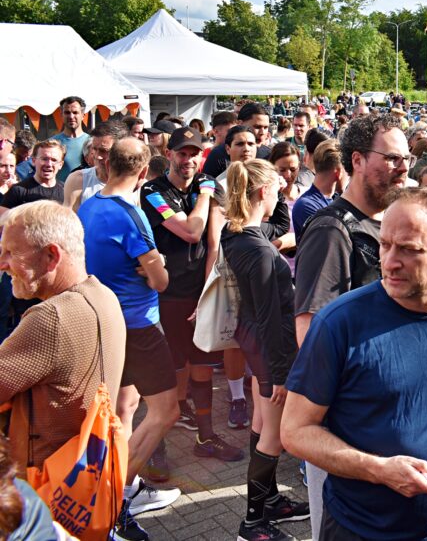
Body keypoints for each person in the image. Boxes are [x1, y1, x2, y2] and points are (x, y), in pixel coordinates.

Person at [282, 188, 427, 540]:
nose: (390, 262)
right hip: (360, 528)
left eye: (409, 249)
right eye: (385, 245)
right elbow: (295, 431)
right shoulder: (339, 323)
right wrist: (378, 469)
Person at [291, 113, 409, 535]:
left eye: (406, 158)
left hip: (383, 415)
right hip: (347, 421)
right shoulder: (332, 229)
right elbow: (309, 331)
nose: (403, 167)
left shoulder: (387, 223)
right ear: (357, 160)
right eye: (392, 158)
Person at [78, 138, 182, 539]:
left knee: (126, 407)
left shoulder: (88, 205)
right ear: (142, 172)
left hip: (104, 323)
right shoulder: (131, 214)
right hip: (137, 326)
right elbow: (161, 281)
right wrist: (159, 265)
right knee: (165, 412)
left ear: (107, 165)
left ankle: (123, 489)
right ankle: (114, 502)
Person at [139, 127, 244, 463]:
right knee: (170, 367)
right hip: (167, 294)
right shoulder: (153, 191)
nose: (187, 160)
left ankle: (206, 436)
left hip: (200, 292)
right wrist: (205, 194)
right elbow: (190, 231)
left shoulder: (207, 183)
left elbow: (212, 241)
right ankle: (156, 445)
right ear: (169, 154)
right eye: (181, 153)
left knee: (201, 364)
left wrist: (206, 294)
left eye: (194, 154)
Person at [0, 202, 127, 471]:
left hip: (44, 485)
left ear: (51, 256)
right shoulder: (104, 295)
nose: (2, 264)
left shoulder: (49, 318)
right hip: (88, 476)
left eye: (11, 252)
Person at [222, 159, 307, 541]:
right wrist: (280, 375)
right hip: (269, 346)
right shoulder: (258, 250)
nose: (281, 195)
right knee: (272, 432)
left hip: (253, 341)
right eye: (276, 190)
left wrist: (282, 193)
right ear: (261, 192)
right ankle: (253, 522)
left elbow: (277, 224)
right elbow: (270, 318)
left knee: (260, 422)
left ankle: (270, 500)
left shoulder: (236, 233)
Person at [64, 119, 127, 212]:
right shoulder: (78, 180)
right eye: (94, 149)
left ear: (122, 151)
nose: (97, 156)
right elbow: (68, 218)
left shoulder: (136, 183)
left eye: (104, 151)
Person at [292, 139, 345, 244]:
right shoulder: (306, 205)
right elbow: (335, 241)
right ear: (339, 173)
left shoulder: (335, 199)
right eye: (347, 170)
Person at [203, 103, 273, 178]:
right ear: (240, 123)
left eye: (266, 127)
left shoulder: (269, 154)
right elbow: (206, 182)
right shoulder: (218, 155)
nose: (262, 132)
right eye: (257, 127)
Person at [0, 139, 65, 219]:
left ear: (61, 164)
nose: (49, 164)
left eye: (54, 160)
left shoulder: (66, 191)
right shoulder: (18, 190)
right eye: (44, 159)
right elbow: (3, 222)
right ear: (33, 161)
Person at [49, 96, 90, 183]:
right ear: (61, 115)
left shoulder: (92, 142)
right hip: (61, 191)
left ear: (83, 115)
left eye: (75, 112)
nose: (71, 116)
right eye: (67, 112)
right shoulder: (52, 144)